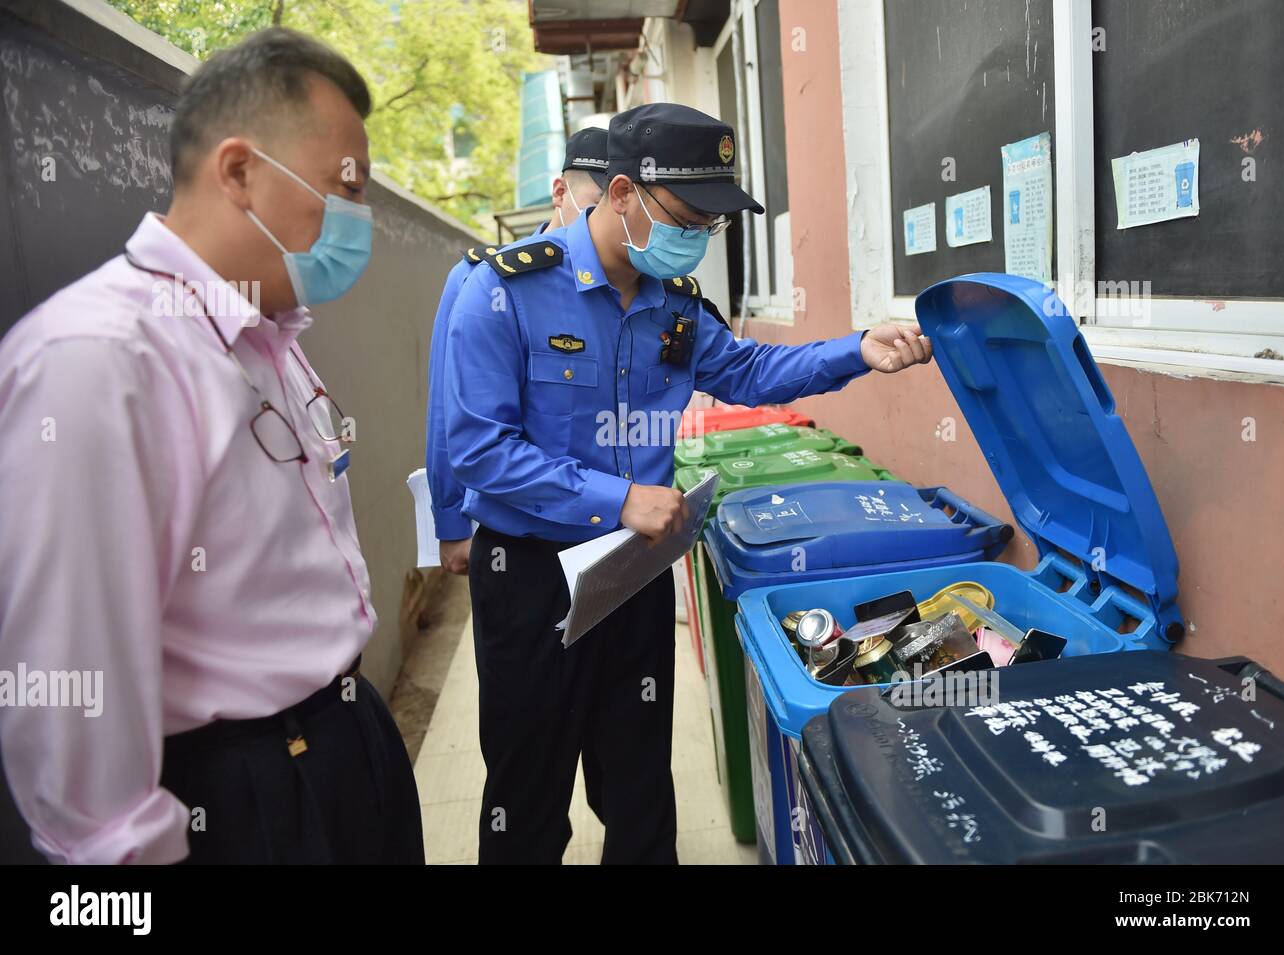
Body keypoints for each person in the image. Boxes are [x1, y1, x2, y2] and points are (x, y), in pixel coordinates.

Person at [443, 103, 933, 864]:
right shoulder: (503, 291)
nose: (700, 235)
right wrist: (618, 498)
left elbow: (751, 370)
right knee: (528, 796)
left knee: (641, 790)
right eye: (689, 215)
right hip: (529, 577)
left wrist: (855, 349)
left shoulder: (675, 305)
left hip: (631, 576)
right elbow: (478, 450)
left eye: (714, 222)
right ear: (620, 194)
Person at [0, 28, 421, 864]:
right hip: (246, 801)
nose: (358, 220)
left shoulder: (265, 335)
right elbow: (73, 713)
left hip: (346, 746)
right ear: (238, 171)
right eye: (345, 188)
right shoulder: (100, 360)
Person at [426, 126, 609, 575]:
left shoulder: (624, 286)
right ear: (559, 193)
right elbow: (446, 413)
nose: (599, 226)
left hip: (611, 532)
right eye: (591, 209)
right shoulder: (488, 280)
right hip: (521, 538)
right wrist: (451, 523)